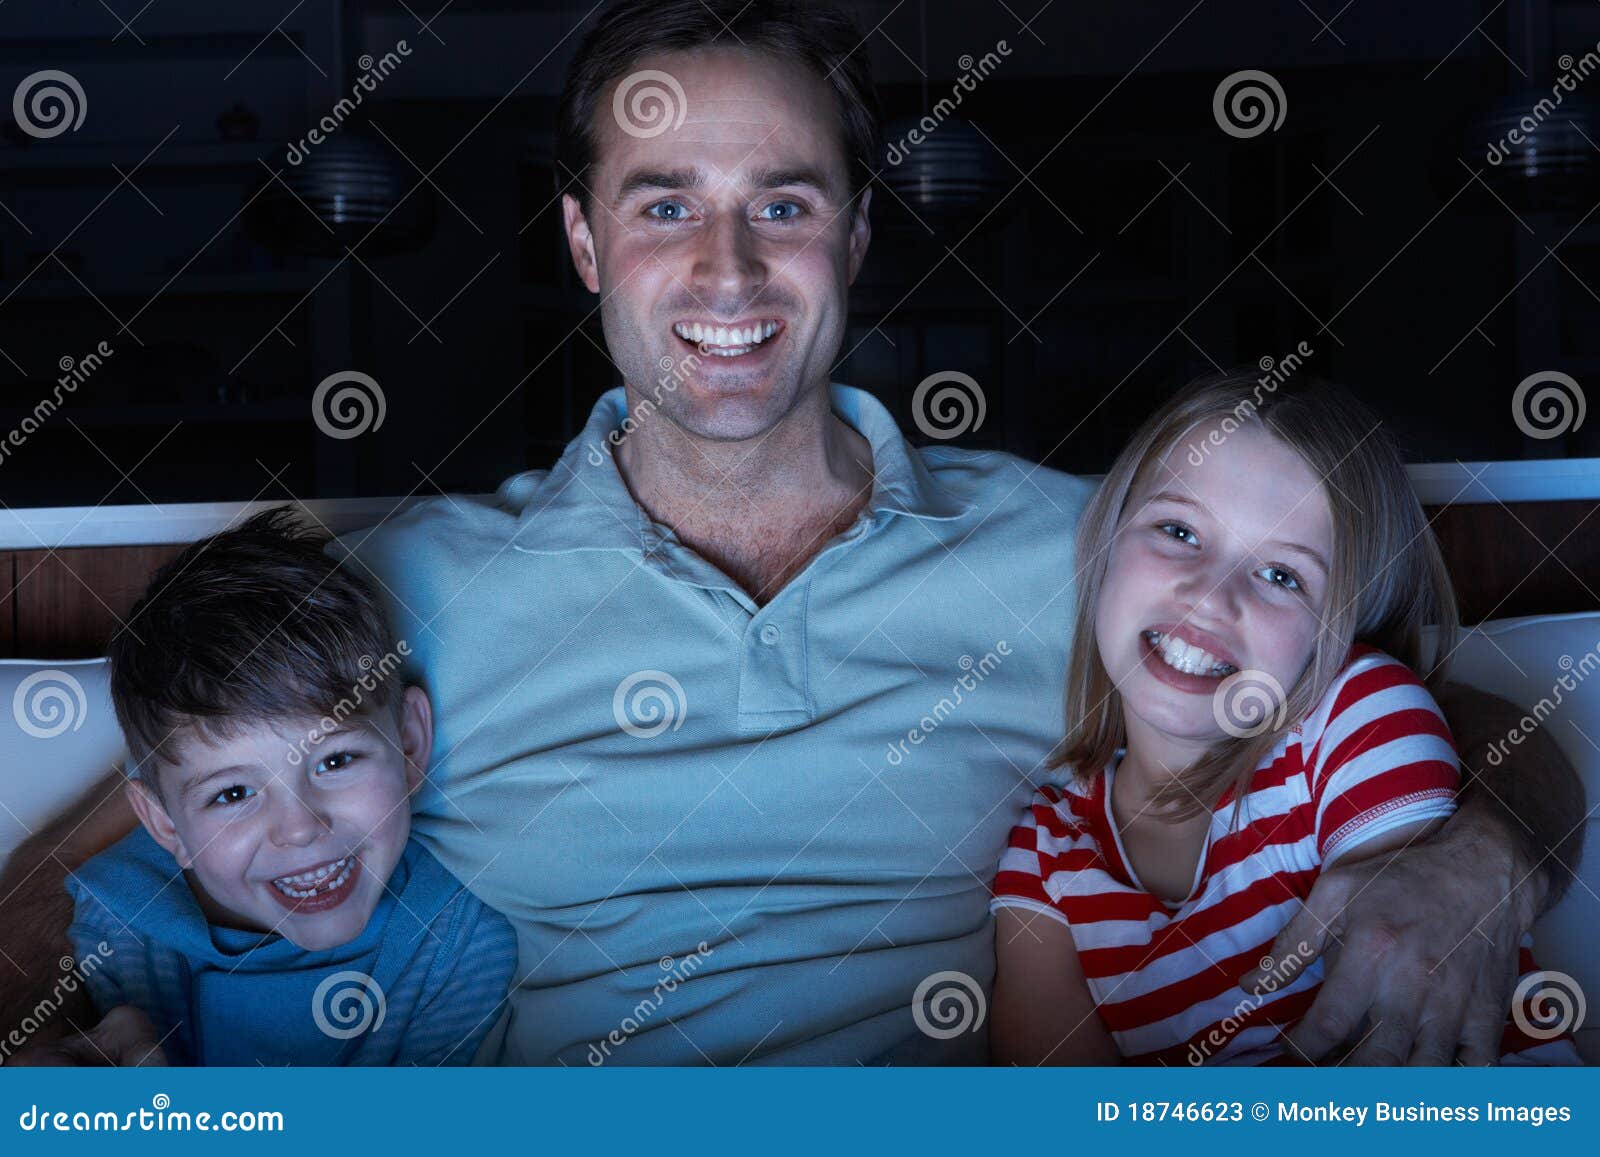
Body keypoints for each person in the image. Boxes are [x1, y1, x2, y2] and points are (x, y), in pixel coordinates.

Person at [0, 0, 1583, 1066]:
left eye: (786, 200)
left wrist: (1480, 860)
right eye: (664, 203)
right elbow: (81, 875)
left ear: (860, 229)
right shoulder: (408, 586)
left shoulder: (1093, 551)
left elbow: (1448, 714)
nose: (731, 271)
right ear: (582, 241)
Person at [988, 376, 1581, 1065]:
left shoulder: (1359, 718)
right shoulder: (1046, 850)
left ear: (1341, 630)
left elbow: (1408, 1036)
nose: (1210, 596)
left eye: (1282, 576)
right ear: (1105, 549)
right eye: (1178, 531)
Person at [38, 509, 515, 1066]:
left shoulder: (457, 937)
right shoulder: (113, 924)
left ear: (409, 745)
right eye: (233, 794)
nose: (299, 829)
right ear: (166, 824)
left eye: (335, 761)